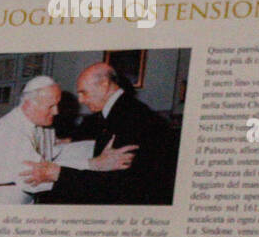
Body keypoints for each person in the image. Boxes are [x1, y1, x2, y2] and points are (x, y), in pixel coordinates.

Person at [23, 62, 177, 204]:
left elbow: (116, 184)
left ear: (104, 85)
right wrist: (69, 142)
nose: (81, 100)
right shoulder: (122, 109)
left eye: (84, 93)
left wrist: (59, 174)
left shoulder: (130, 116)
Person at [0, 75, 134, 204]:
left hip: (25, 205)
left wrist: (97, 147)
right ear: (29, 105)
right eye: (50, 106)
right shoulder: (10, 131)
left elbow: (54, 154)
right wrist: (94, 163)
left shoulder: (41, 123)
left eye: (57, 105)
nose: (56, 112)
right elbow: (37, 176)